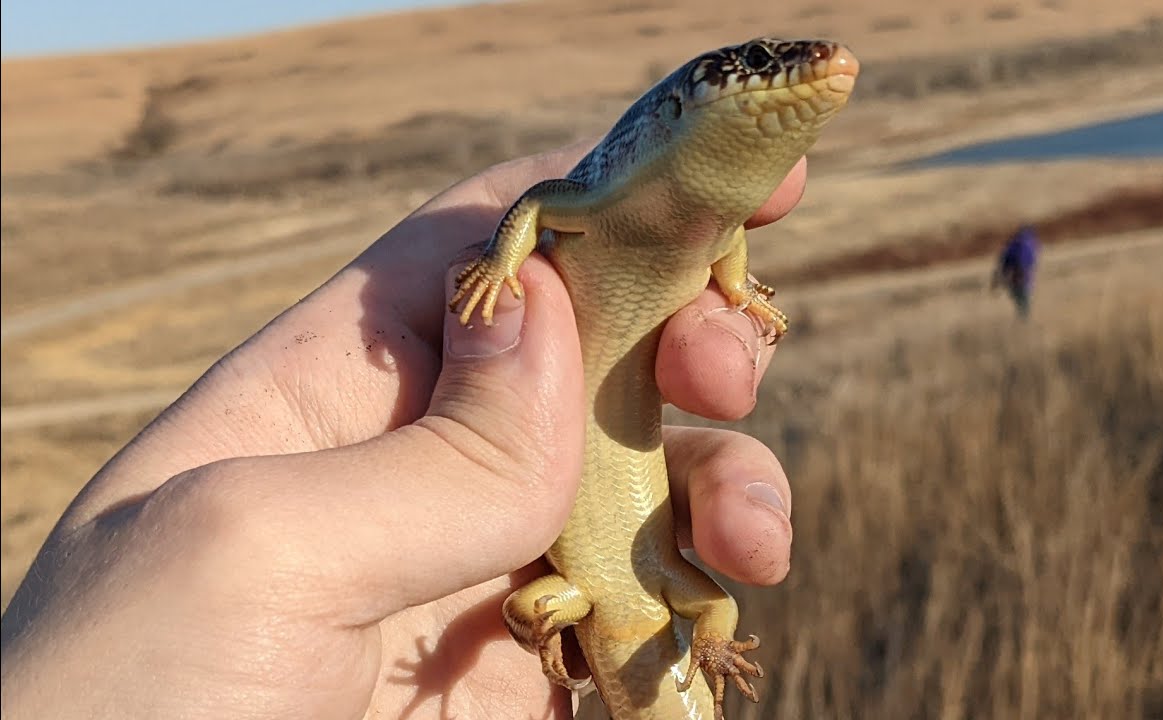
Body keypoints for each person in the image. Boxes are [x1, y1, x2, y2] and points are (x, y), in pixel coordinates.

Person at [0, 142, 806, 719]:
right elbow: (717, 609)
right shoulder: (661, 593)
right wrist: (707, 647)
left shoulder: (581, 598)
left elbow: (533, 612)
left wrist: (542, 629)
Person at [991, 224, 1040, 318]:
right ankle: (1024, 322)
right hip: (1023, 277)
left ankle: (1022, 321)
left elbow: (1002, 264)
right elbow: (1030, 262)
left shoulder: (1011, 246)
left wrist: (996, 281)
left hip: (1012, 279)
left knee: (1020, 303)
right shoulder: (1029, 244)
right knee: (1024, 304)